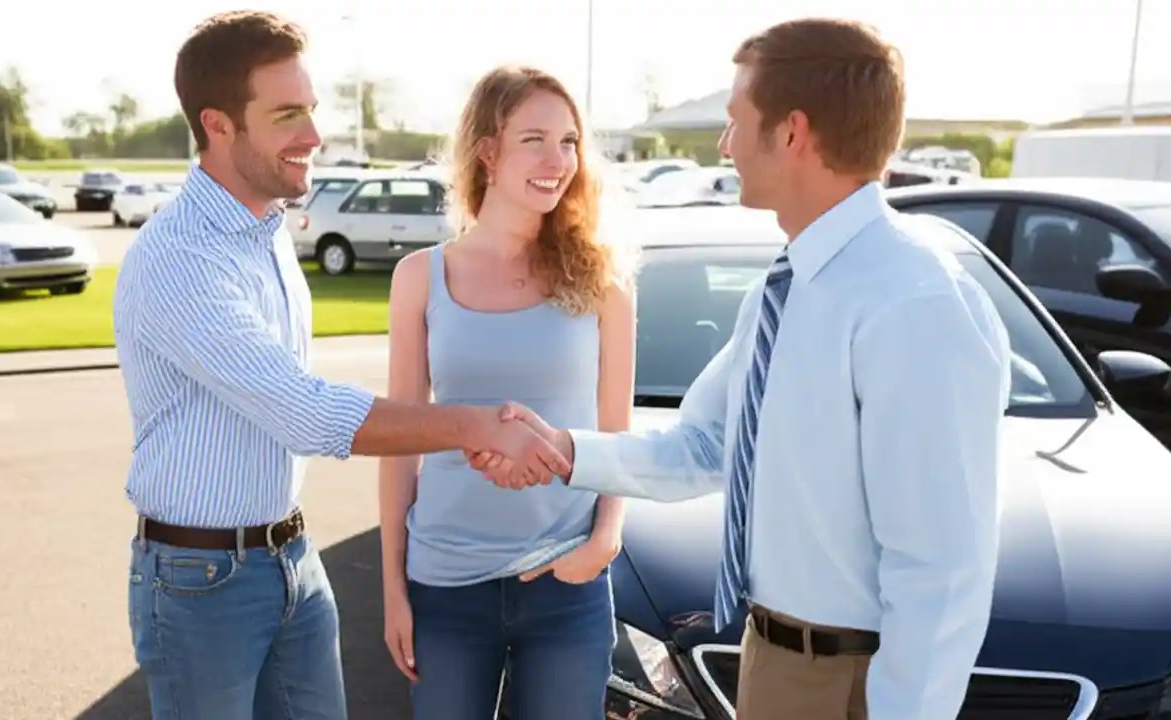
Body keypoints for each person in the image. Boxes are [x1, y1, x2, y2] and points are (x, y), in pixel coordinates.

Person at [471, 17, 1012, 720]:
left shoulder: (915, 302)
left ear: (791, 133)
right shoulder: (784, 289)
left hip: (852, 684)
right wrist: (561, 449)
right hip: (770, 660)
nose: (724, 145)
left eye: (735, 121)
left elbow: (941, 569)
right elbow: (701, 447)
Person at [112, 12, 568, 720]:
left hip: (289, 557)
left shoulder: (264, 233)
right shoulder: (180, 259)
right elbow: (304, 411)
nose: (315, 136)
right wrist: (479, 425)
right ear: (219, 124)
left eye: (312, 110)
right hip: (200, 584)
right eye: (287, 114)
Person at [378, 65, 635, 720]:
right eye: (535, 140)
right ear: (487, 150)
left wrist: (605, 542)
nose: (559, 161)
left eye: (570, 141)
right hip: (444, 586)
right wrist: (393, 590)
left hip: (566, 581)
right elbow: (398, 443)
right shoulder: (419, 278)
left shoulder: (605, 282)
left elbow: (616, 438)